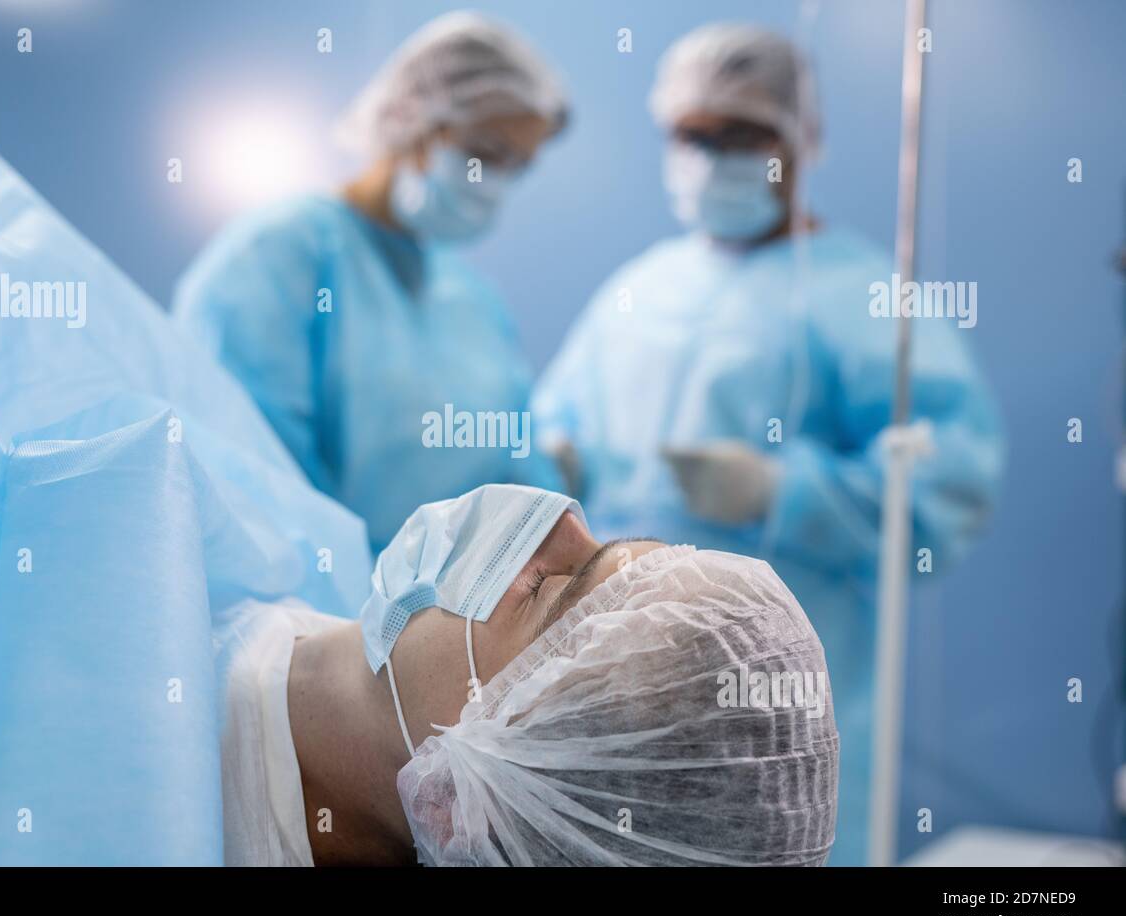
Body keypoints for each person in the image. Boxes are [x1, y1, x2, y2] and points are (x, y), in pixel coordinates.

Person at [531, 24, 1003, 865]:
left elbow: (946, 491)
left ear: (799, 142)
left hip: (780, 700)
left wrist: (784, 495)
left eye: (742, 137)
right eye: (693, 136)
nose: (714, 157)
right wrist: (554, 462)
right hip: (614, 698)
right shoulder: (639, 291)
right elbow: (550, 434)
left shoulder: (863, 297)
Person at [220, 484, 839, 866]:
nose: (558, 520)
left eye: (553, 588)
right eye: (610, 542)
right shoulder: (262, 532)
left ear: (456, 808)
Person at [174, 12, 567, 552]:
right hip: (316, 614)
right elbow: (250, 472)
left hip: (464, 620)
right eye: (484, 153)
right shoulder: (279, 256)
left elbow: (519, 469)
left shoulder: (473, 302)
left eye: (518, 165)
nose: (494, 182)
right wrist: (371, 606)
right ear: (411, 119)